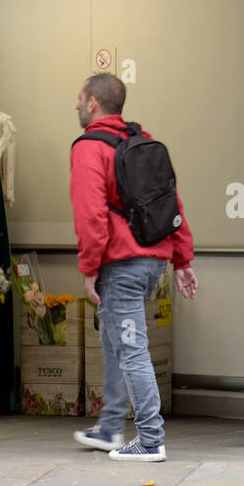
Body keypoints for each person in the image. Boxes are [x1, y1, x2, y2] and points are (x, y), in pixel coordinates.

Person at [68, 73, 197, 462]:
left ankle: (150, 439)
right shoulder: (142, 140)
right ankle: (109, 426)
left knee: (132, 349)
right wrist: (181, 258)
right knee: (115, 339)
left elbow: (91, 214)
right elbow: (171, 203)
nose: (75, 105)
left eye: (79, 98)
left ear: (93, 103)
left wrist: (89, 268)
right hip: (151, 261)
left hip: (121, 264)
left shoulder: (90, 147)